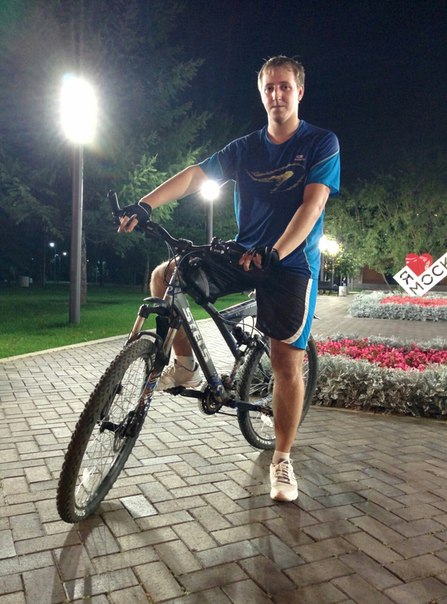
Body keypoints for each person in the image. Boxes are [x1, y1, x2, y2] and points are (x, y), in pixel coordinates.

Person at [118, 55, 340, 502]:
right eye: (269, 87)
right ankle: (185, 366)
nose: (276, 94)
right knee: (166, 275)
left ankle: (281, 458)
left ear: (299, 91)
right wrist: (145, 204)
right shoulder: (245, 147)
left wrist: (277, 252)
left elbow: (312, 205)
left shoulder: (320, 142)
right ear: (261, 94)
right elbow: (194, 176)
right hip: (244, 254)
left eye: (284, 86)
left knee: (284, 364)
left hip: (291, 262)